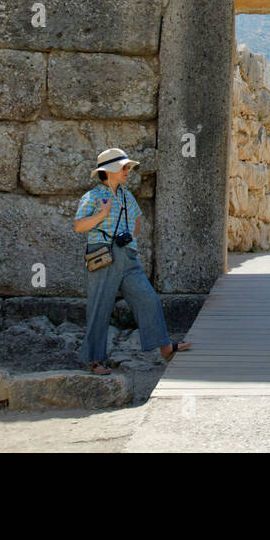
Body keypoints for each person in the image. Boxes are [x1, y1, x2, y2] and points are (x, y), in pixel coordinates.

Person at [75, 148, 189, 374]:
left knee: (148, 298)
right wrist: (102, 215)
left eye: (127, 167)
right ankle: (96, 361)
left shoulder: (127, 196)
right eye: (124, 167)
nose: (128, 171)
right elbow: (79, 226)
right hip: (104, 255)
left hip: (127, 256)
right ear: (109, 171)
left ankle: (165, 348)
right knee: (100, 307)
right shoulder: (93, 197)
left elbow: (136, 218)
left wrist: (131, 241)